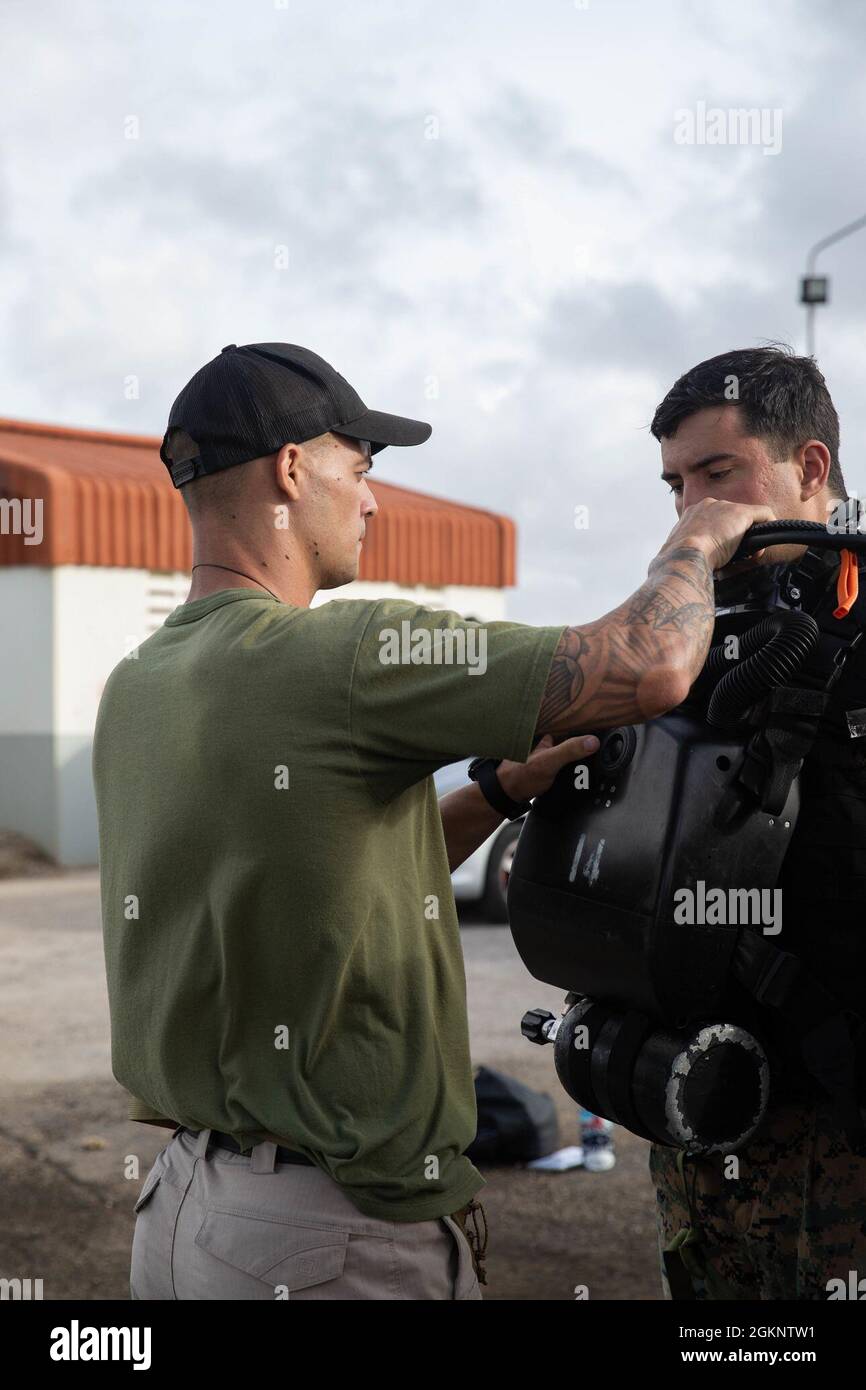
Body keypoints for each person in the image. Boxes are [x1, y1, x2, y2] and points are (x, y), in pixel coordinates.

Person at [92, 340, 768, 1300]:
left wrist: (498, 793)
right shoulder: (349, 651)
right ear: (292, 469)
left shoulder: (138, 685)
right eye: (359, 471)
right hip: (329, 1239)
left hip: (182, 1216)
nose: (370, 501)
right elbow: (647, 664)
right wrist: (695, 541)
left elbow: (339, 877)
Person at [648, 345, 866, 1301]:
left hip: (840, 1140)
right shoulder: (681, 642)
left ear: (810, 470)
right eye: (676, 483)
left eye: (717, 472)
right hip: (703, 1119)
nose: (693, 507)